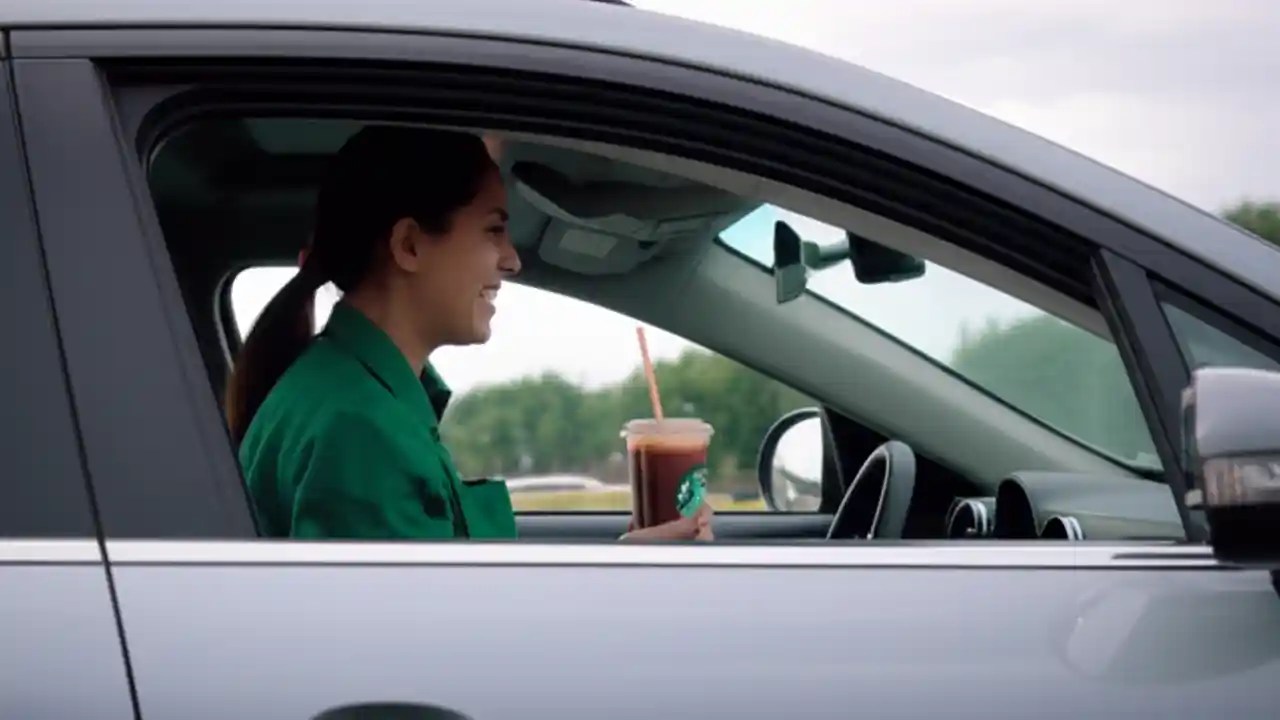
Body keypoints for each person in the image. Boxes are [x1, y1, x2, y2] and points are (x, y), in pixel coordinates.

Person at [227, 125, 713, 541]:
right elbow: (431, 643)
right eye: (493, 230)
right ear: (410, 245)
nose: (513, 260)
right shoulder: (359, 431)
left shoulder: (350, 398)